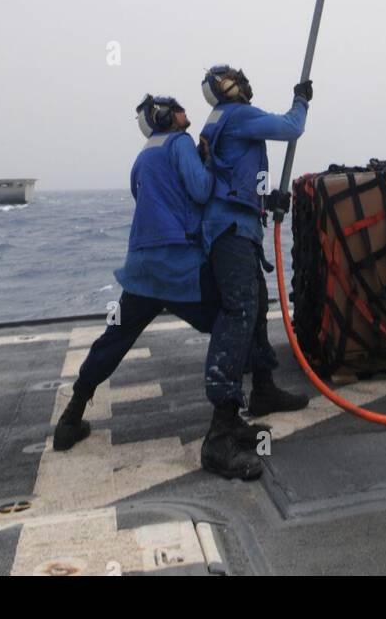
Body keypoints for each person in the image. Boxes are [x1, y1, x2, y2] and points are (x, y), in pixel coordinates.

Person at [52, 93, 276, 453]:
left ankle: (71, 416)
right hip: (179, 268)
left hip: (140, 270)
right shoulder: (181, 143)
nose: (184, 110)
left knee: (115, 340)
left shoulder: (142, 157)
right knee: (234, 317)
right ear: (166, 116)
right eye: (177, 107)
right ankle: (228, 416)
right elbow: (202, 192)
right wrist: (208, 160)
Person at [198, 65, 312, 481]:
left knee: (254, 310)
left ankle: (262, 389)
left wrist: (268, 200)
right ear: (226, 88)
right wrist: (301, 99)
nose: (241, 80)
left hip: (238, 225)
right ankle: (219, 433)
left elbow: (237, 176)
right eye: (233, 77)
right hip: (231, 231)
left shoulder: (221, 122)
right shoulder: (239, 115)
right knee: (238, 315)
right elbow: (289, 128)